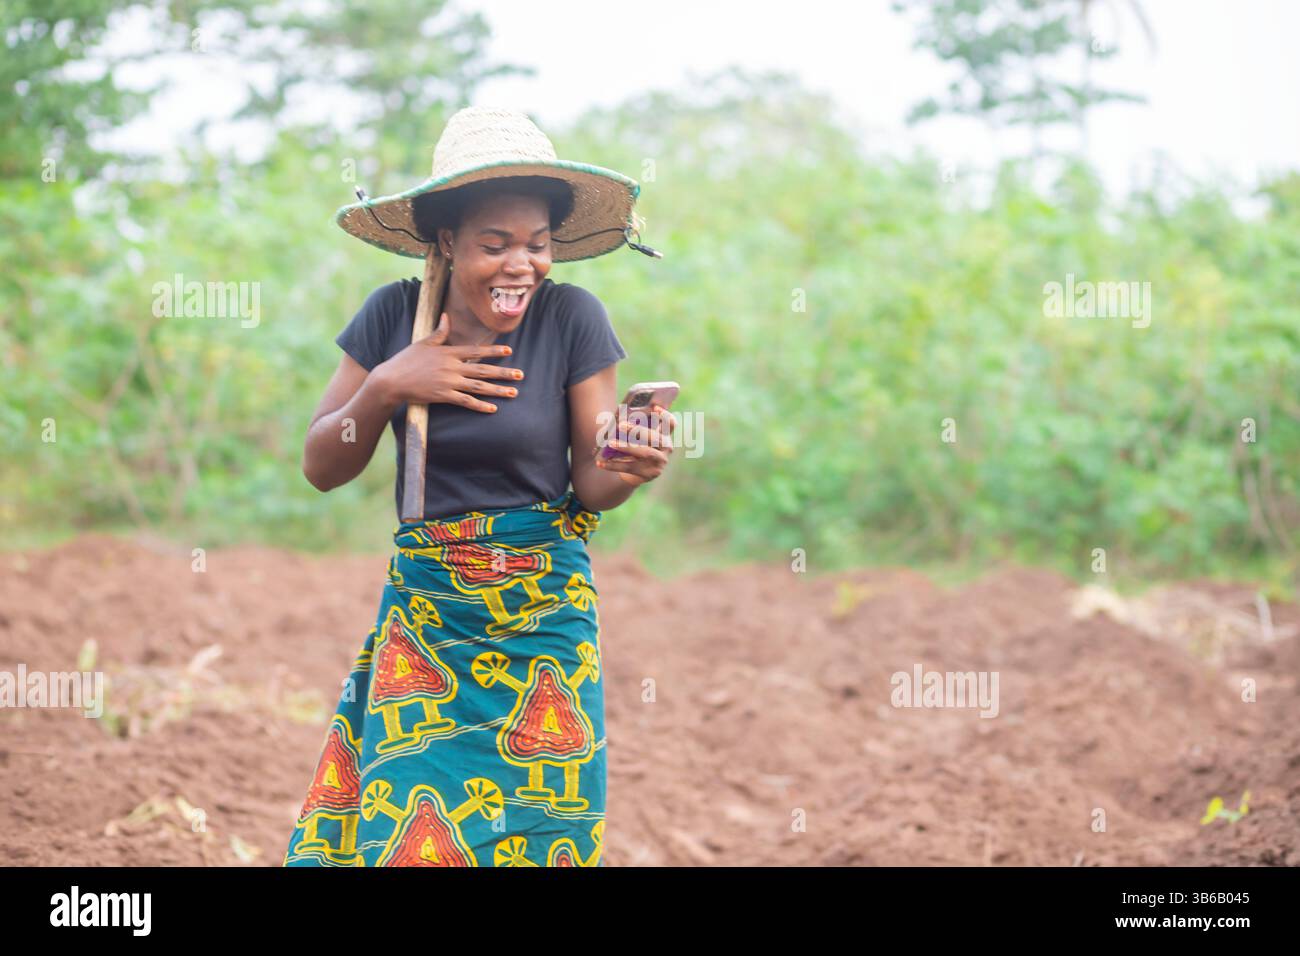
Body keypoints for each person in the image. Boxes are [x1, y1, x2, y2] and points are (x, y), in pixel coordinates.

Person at [282, 106, 674, 867]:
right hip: (428, 618)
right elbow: (322, 465)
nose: (520, 265)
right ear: (447, 242)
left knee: (542, 836)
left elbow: (591, 488)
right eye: (495, 245)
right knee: (409, 836)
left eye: (538, 244)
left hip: (545, 624)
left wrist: (631, 467)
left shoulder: (573, 320)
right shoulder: (394, 316)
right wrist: (391, 385)